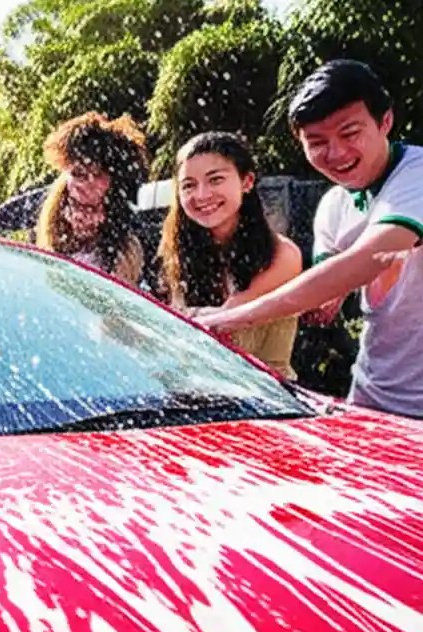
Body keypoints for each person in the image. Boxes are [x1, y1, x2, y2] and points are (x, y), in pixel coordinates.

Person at [200, 60, 423, 418]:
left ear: (385, 121)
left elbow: (362, 263)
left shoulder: (417, 176)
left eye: (350, 133)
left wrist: (232, 318)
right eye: (317, 142)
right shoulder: (334, 206)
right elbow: (324, 298)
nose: (335, 154)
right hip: (370, 400)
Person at [158, 132, 303, 377]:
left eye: (215, 180)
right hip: (193, 394)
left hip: (268, 399)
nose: (202, 195)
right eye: (189, 185)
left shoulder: (282, 254)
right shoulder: (179, 254)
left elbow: (227, 321)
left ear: (247, 182)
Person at [34, 112, 148, 287]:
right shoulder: (47, 215)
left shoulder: (127, 246)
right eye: (78, 174)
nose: (88, 183)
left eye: (97, 174)